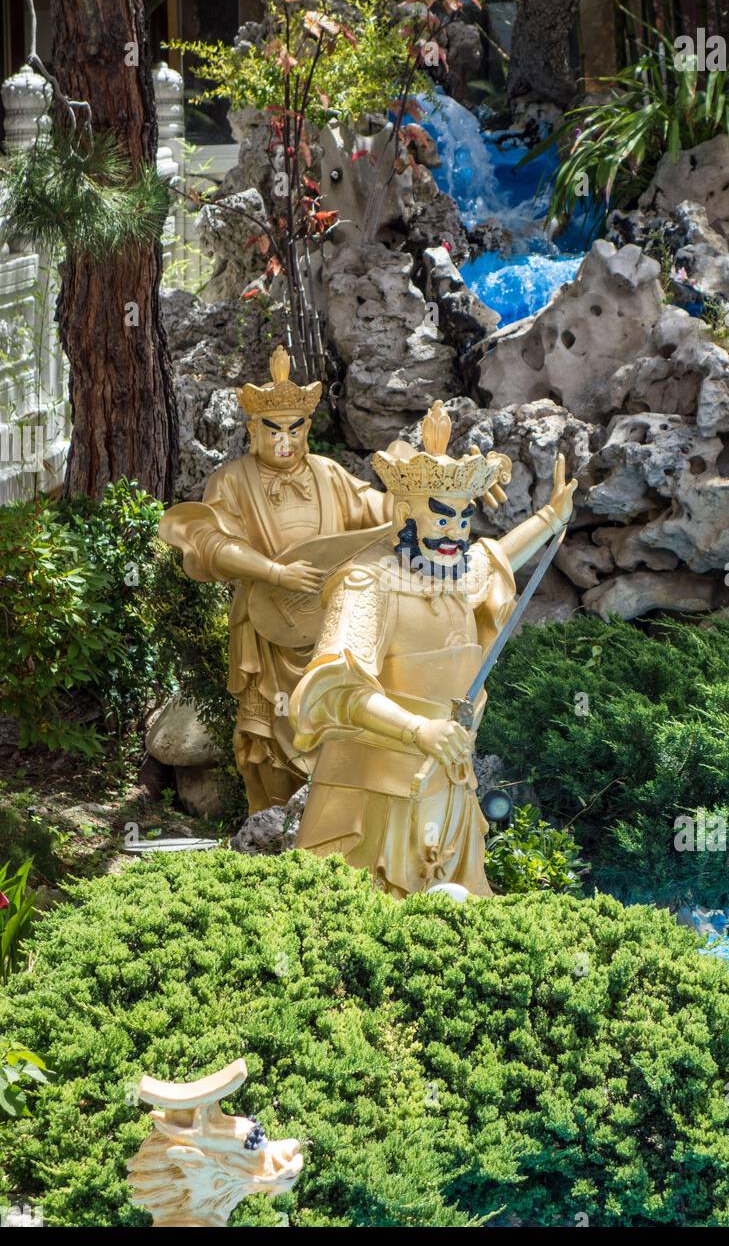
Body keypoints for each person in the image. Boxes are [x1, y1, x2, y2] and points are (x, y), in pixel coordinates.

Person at [287, 399, 577, 897]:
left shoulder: (460, 574)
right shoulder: (366, 583)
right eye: (441, 520)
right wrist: (418, 729)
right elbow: (335, 688)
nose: (455, 535)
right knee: (369, 924)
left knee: (450, 922)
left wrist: (551, 517)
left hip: (448, 783)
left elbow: (498, 556)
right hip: (373, 788)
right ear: (405, 513)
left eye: (463, 521)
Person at [159, 346, 390, 812]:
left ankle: (335, 826)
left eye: (295, 428)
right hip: (267, 631)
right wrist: (274, 571)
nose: (285, 439)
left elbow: (382, 511)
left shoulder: (330, 474)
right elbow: (207, 541)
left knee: (338, 723)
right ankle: (272, 830)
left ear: (307, 429)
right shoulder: (232, 480)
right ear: (252, 431)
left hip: (333, 628)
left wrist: (424, 494)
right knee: (267, 737)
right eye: (273, 429)